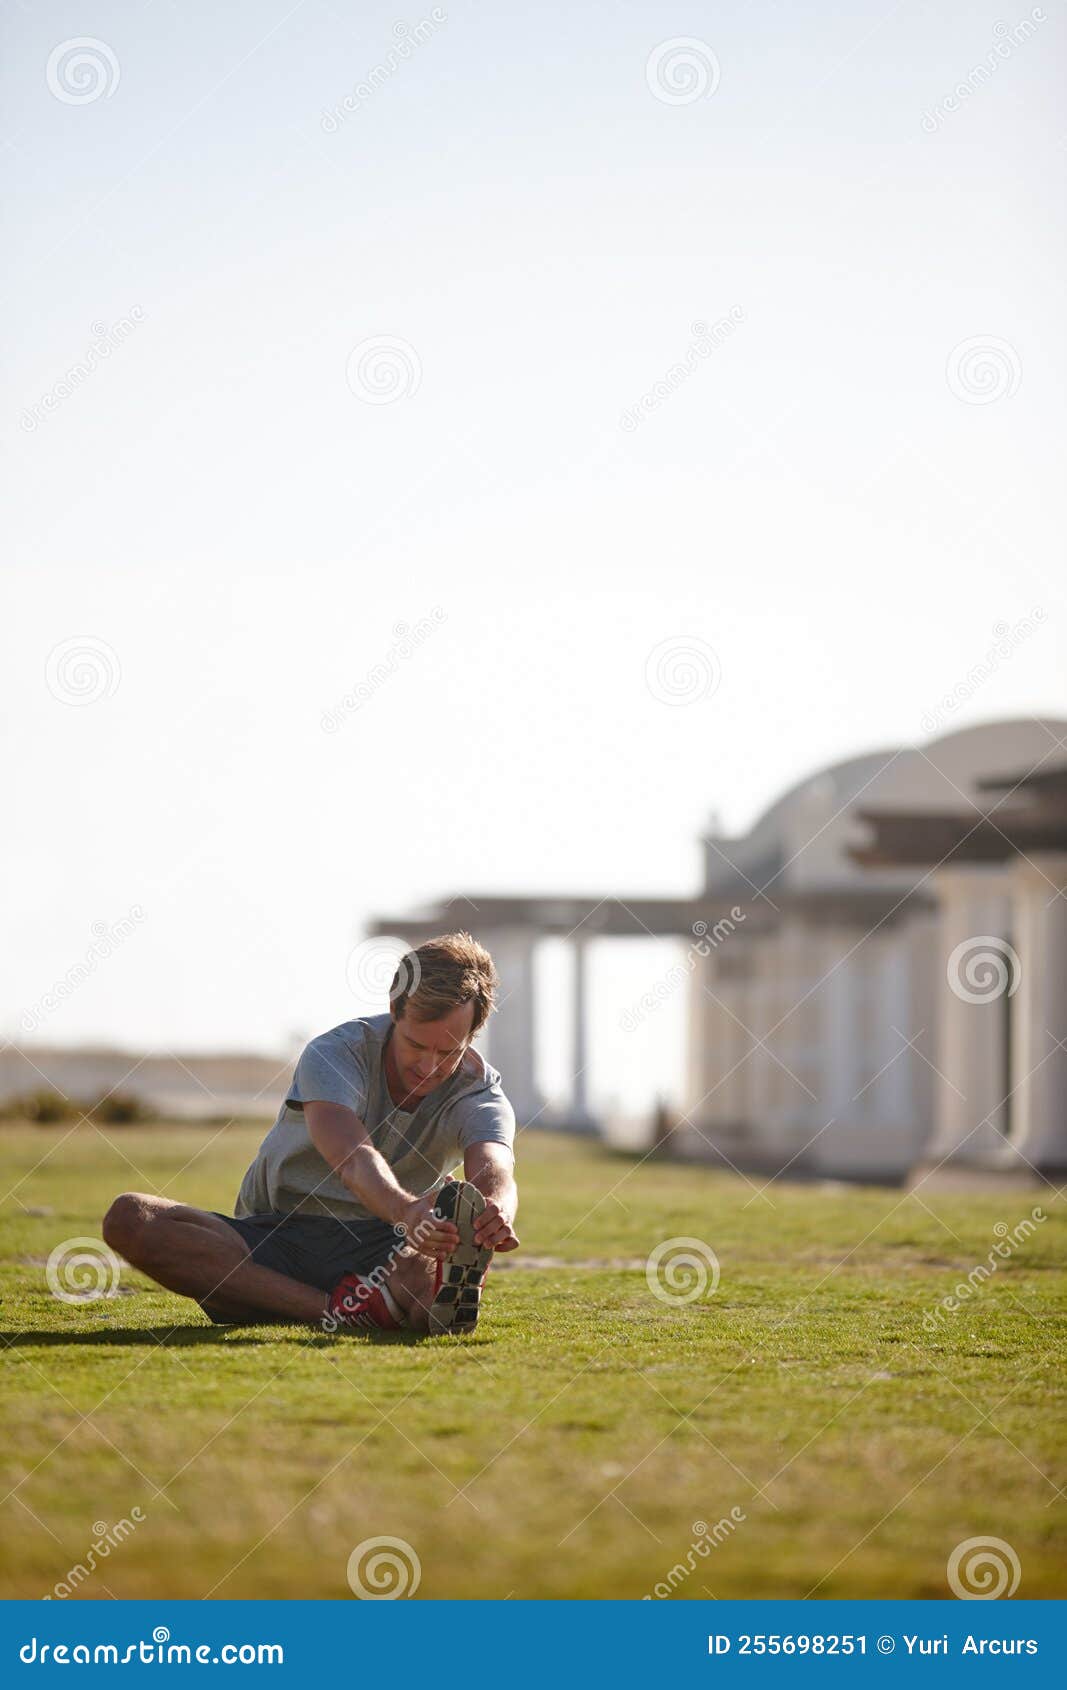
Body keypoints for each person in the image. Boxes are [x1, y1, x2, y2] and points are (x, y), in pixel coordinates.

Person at [102, 932, 519, 1335]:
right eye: (416, 1045)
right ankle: (343, 1310)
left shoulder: (479, 1089)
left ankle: (403, 1298)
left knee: (425, 1273)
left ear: (472, 1035)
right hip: (274, 1238)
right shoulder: (335, 1053)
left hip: (386, 1250)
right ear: (395, 1008)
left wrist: (495, 1211)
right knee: (130, 1218)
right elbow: (353, 1156)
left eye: (448, 1052)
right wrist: (407, 1210)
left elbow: (494, 1166)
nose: (428, 1067)